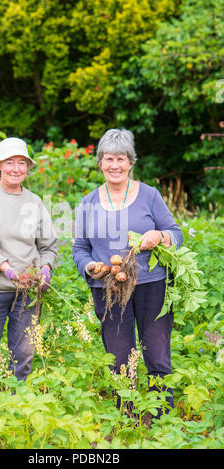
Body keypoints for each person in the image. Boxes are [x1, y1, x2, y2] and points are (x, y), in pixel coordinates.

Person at [72, 128, 183, 416]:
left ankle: (162, 420)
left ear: (131, 162)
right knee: (119, 357)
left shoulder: (150, 195)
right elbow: (79, 249)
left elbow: (176, 233)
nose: (115, 166)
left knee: (157, 354)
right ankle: (128, 420)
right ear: (100, 163)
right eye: (109, 159)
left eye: (121, 159)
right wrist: (91, 267)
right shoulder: (88, 203)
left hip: (152, 287)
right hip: (109, 288)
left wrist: (159, 236)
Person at [0, 137, 58, 380]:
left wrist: (46, 269)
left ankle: (15, 405)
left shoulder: (34, 202)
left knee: (23, 356)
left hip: (26, 291)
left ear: (28, 167)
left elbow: (48, 245)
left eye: (22, 163)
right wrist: (10, 272)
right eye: (9, 162)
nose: (16, 169)